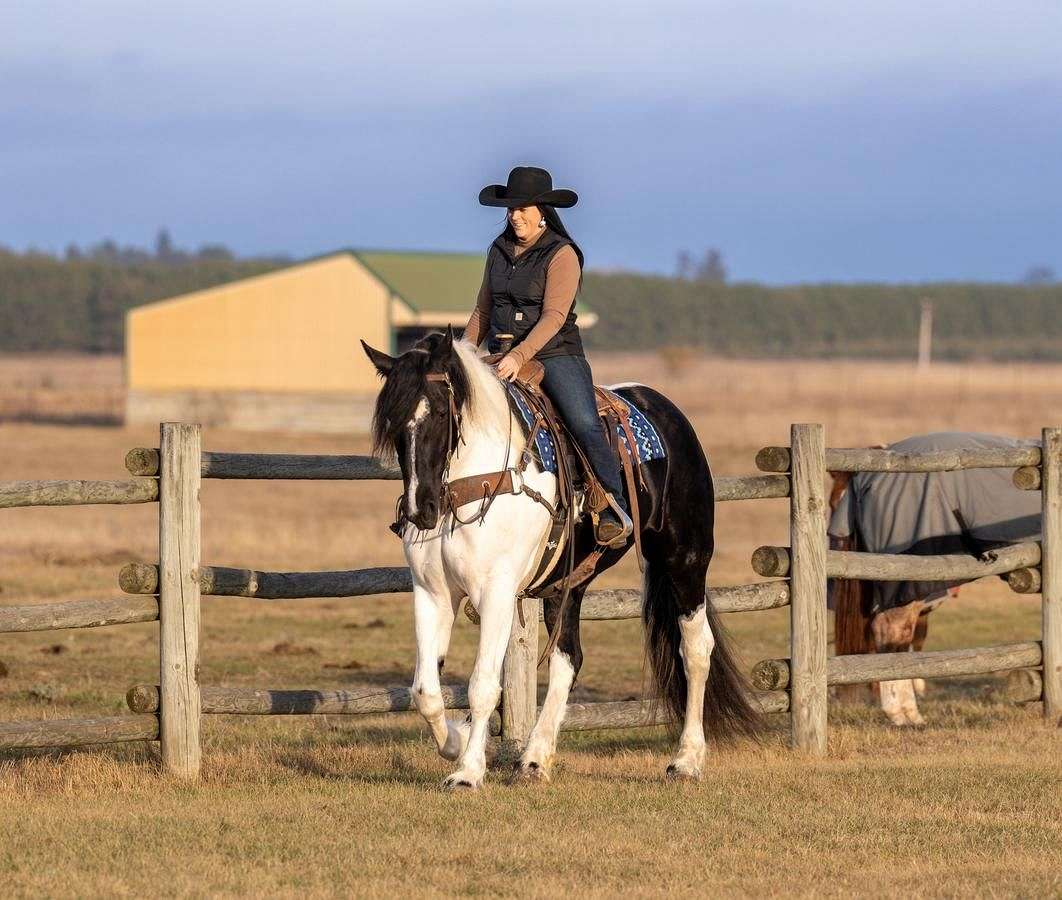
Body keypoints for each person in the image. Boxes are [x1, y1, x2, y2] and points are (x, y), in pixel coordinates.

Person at [463, 166, 634, 547]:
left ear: (543, 211)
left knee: (583, 421)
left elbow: (554, 316)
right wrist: (462, 356)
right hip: (501, 354)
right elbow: (483, 311)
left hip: (555, 354)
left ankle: (612, 506)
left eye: (523, 208)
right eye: (511, 208)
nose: (515, 215)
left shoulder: (562, 253)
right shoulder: (498, 251)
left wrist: (519, 356)